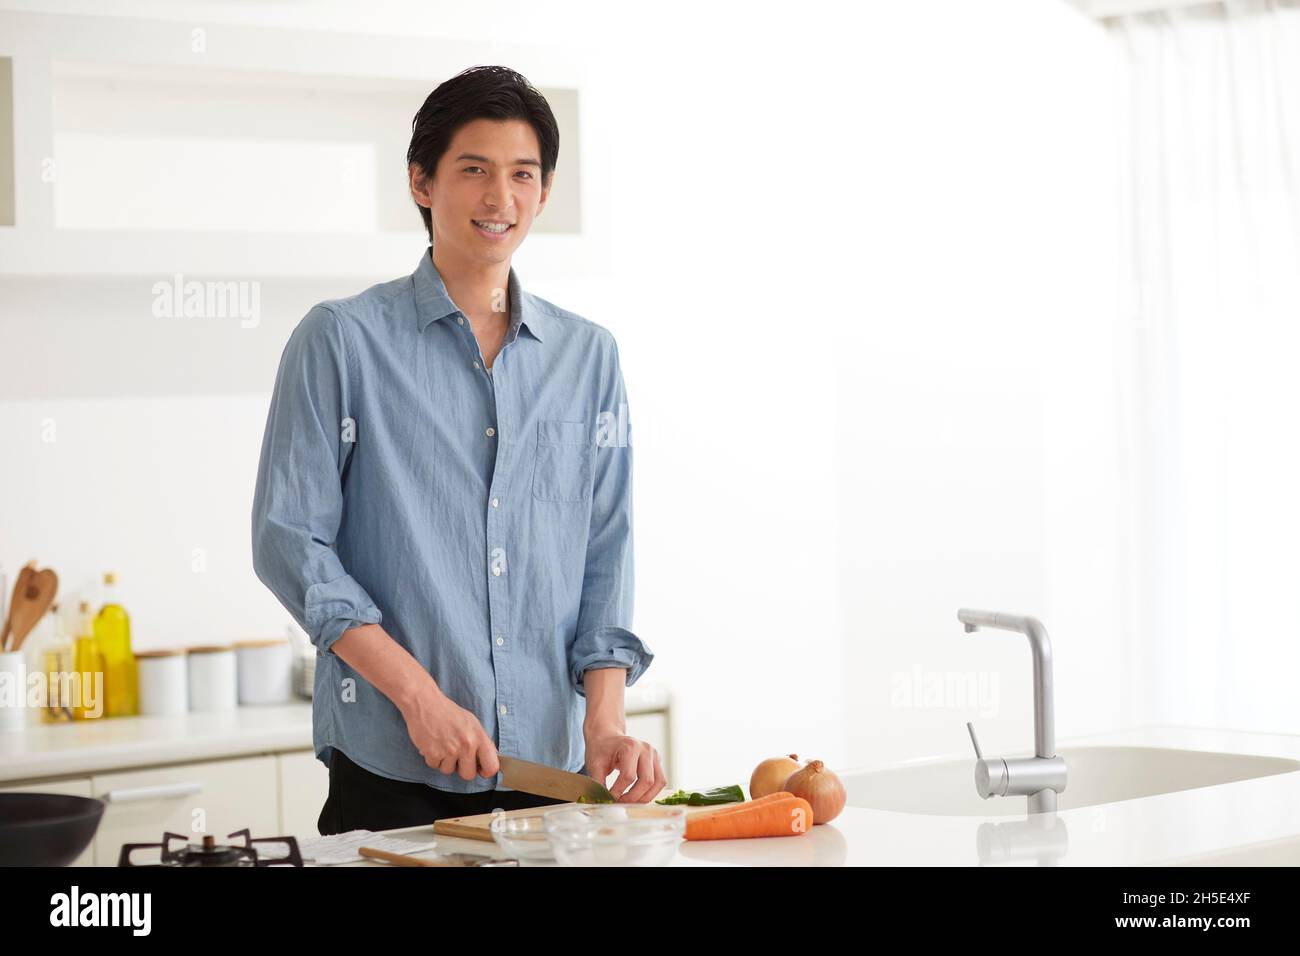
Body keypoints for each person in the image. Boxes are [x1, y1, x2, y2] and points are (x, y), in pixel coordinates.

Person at [251, 65, 662, 834]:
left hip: (554, 777)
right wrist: (419, 698)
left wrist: (604, 722)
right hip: (395, 774)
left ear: (543, 193)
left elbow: (606, 551)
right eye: (473, 170)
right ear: (422, 183)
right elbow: (288, 542)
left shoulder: (589, 357)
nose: (498, 197)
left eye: (521, 174)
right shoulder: (341, 342)